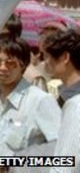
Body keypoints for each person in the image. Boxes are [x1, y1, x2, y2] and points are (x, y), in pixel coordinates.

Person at [0, 35, 61, 173]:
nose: (2, 68)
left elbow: (62, 151)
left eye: (10, 63)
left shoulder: (40, 100)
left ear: (23, 65)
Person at [40, 30, 80, 172]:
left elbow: (65, 164)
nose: (44, 63)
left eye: (47, 56)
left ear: (65, 57)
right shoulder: (64, 95)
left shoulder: (75, 104)